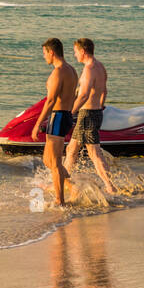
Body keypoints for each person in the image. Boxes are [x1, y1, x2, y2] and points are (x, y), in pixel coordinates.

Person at [65, 38, 116, 193]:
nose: (74, 55)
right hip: (94, 113)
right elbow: (104, 91)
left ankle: (110, 186)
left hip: (87, 115)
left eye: (75, 52)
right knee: (72, 150)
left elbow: (84, 95)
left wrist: (70, 112)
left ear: (83, 51)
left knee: (94, 153)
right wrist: (100, 108)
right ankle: (62, 181)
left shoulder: (89, 69)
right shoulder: (100, 66)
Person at [33, 38, 79, 206]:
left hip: (58, 117)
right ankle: (72, 187)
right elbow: (73, 95)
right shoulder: (72, 70)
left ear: (51, 52)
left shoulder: (58, 72)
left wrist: (38, 123)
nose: (44, 56)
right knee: (49, 161)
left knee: (55, 163)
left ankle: (60, 200)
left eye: (44, 53)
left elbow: (51, 100)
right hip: (66, 115)